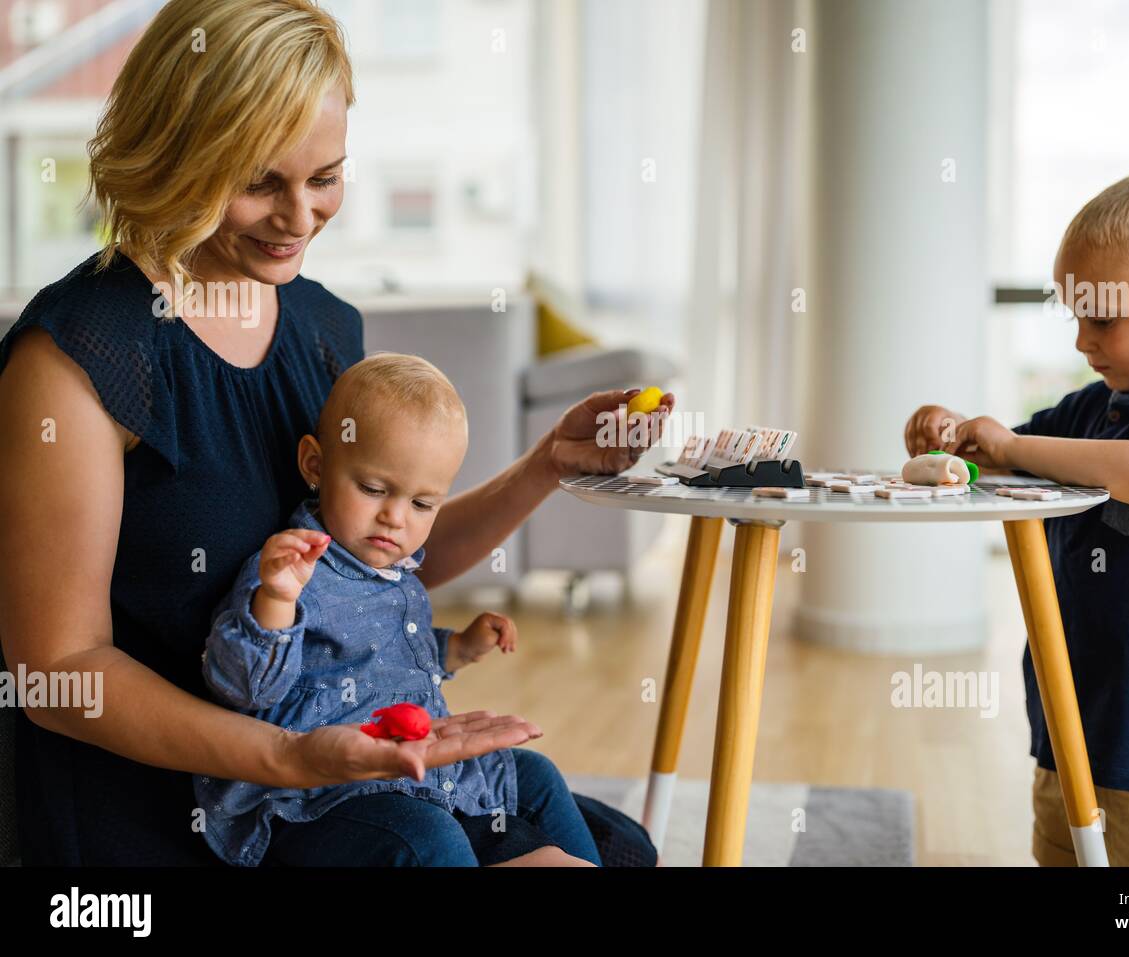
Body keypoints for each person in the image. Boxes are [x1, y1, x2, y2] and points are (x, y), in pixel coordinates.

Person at [0, 0, 672, 866]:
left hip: (340, 765)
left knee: (614, 846)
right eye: (258, 182)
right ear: (174, 154)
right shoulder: (78, 357)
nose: (300, 216)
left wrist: (547, 467)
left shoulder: (325, 331)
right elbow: (58, 675)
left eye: (325, 177)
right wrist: (287, 757)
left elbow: (376, 552)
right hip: (182, 799)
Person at [904, 167, 1129, 865]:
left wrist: (1016, 444)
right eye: (1075, 316)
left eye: (1102, 318)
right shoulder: (1089, 410)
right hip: (1069, 724)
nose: (1081, 342)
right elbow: (1005, 456)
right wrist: (957, 433)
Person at [198, 353, 610, 866]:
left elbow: (394, 661)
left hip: (412, 769)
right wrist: (277, 601)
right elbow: (244, 688)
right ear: (316, 465)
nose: (394, 518)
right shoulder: (291, 569)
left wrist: (456, 648)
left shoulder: (399, 573)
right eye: (373, 489)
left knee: (533, 775)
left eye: (422, 504)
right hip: (320, 795)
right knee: (429, 837)